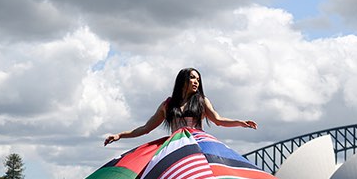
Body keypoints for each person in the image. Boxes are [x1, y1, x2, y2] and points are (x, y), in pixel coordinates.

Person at [104, 67, 257, 145]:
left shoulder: (202, 101)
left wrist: (240, 123)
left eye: (198, 79)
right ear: (183, 81)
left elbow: (218, 120)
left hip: (197, 146)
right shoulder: (168, 104)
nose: (196, 81)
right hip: (174, 147)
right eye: (192, 78)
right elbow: (145, 129)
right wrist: (120, 135)